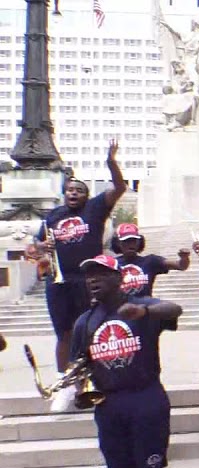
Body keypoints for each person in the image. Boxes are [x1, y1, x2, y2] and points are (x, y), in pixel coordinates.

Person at [71, 255, 182, 468]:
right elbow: (80, 365)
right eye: (89, 275)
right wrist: (78, 390)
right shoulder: (85, 322)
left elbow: (175, 309)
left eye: (101, 274)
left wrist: (144, 311)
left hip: (147, 400)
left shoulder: (139, 305)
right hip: (109, 406)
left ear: (118, 278)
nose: (93, 280)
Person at [37, 141, 128, 411]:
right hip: (59, 282)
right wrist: (43, 247)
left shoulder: (95, 209)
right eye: (70, 190)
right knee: (64, 333)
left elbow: (120, 188)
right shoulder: (53, 216)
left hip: (88, 281)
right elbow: (35, 248)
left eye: (79, 190)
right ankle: (64, 385)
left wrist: (111, 162)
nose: (73, 193)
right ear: (64, 194)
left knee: (91, 330)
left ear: (86, 196)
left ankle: (94, 381)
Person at [110, 224, 191, 298]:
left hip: (145, 308)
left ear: (139, 242)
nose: (131, 244)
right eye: (126, 241)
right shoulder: (111, 265)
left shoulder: (150, 261)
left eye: (134, 241)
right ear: (118, 243)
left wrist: (184, 258)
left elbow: (181, 266)